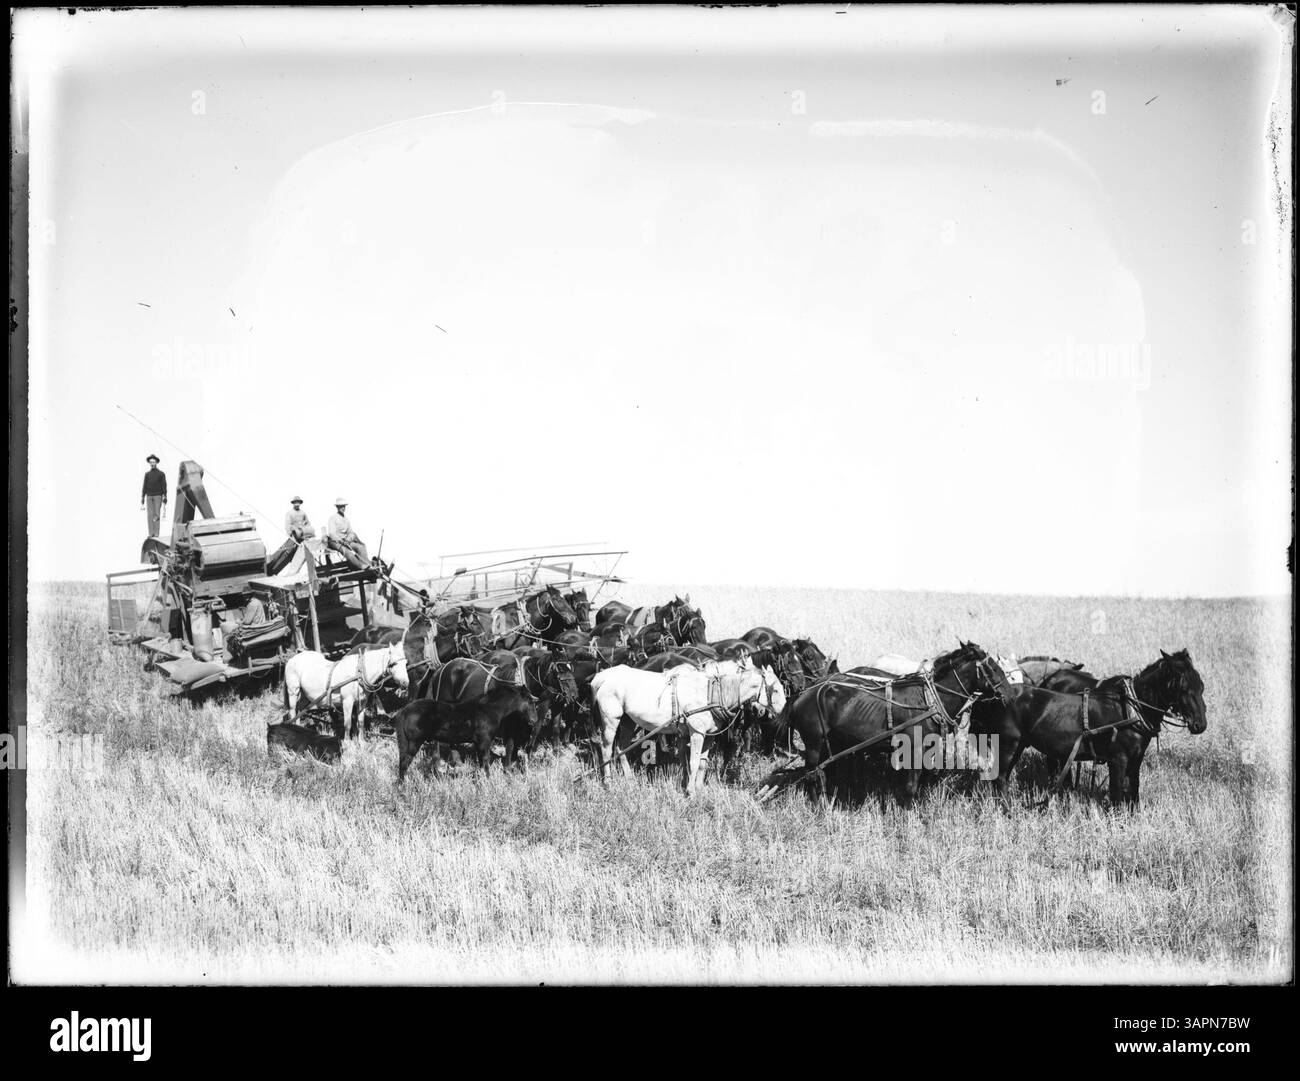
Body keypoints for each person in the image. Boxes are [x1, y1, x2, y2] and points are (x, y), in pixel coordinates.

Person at [326, 497, 370, 569]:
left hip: (345, 541)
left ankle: (367, 565)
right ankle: (361, 566)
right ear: (337, 507)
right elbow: (332, 534)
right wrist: (341, 541)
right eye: (341, 506)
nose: (343, 508)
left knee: (360, 547)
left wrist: (348, 539)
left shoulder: (346, 519)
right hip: (335, 542)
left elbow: (351, 532)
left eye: (344, 506)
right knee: (348, 552)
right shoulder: (333, 518)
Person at [140, 454, 167, 537]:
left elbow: (164, 485)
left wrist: (165, 496)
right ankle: (150, 533)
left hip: (158, 496)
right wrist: (142, 497)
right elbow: (144, 485)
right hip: (149, 496)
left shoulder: (161, 474)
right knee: (150, 515)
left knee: (156, 515)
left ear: (156, 463)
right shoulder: (147, 474)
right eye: (151, 462)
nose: (152, 463)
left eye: (153, 462)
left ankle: (156, 533)